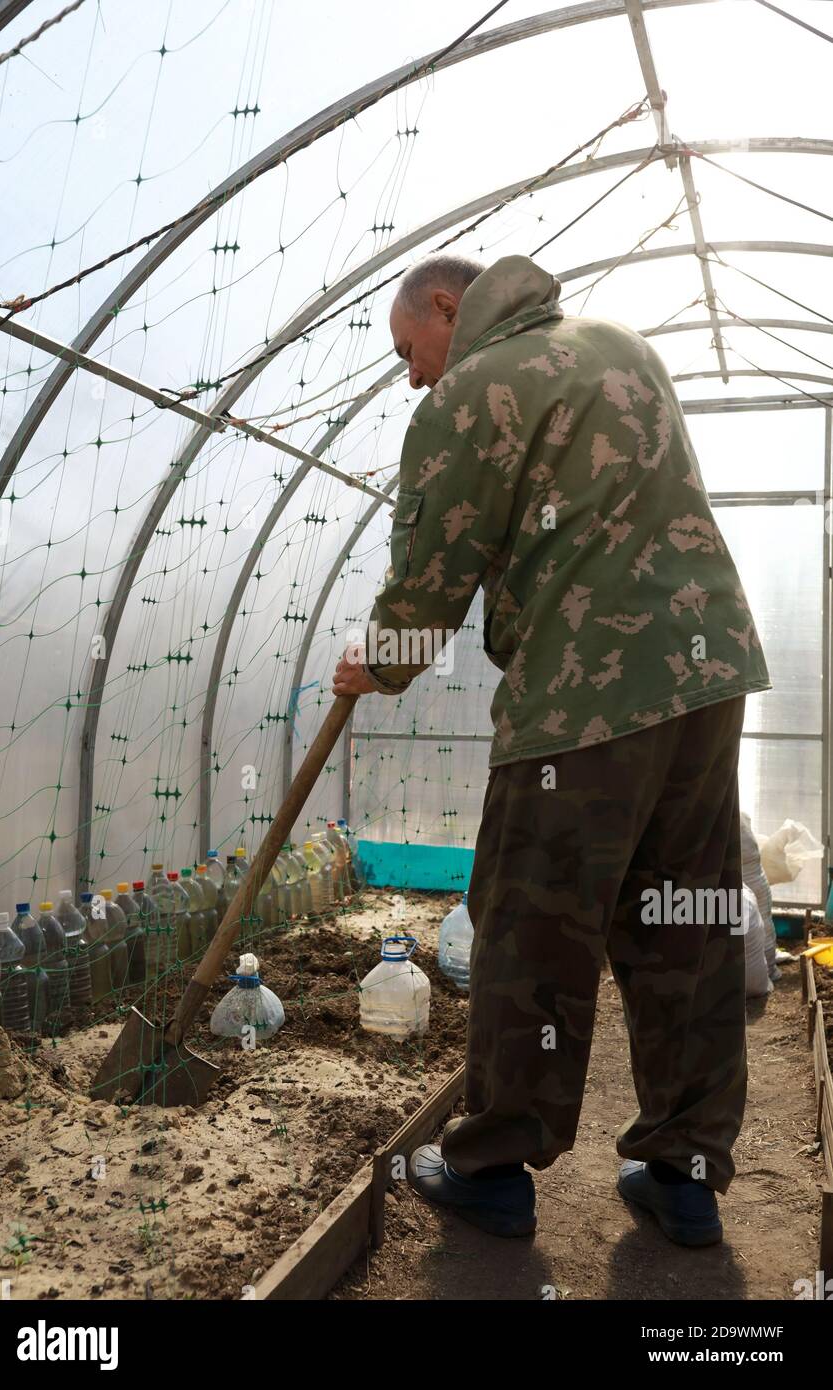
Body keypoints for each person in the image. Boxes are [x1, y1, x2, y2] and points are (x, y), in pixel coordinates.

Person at [332, 252, 771, 1244]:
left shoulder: (468, 394)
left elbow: (430, 583)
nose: (411, 375)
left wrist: (376, 665)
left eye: (410, 349)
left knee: (532, 930)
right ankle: (683, 1171)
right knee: (682, 925)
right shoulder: (621, 348)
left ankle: (489, 1167)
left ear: (447, 307)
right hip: (705, 677)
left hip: (583, 695)